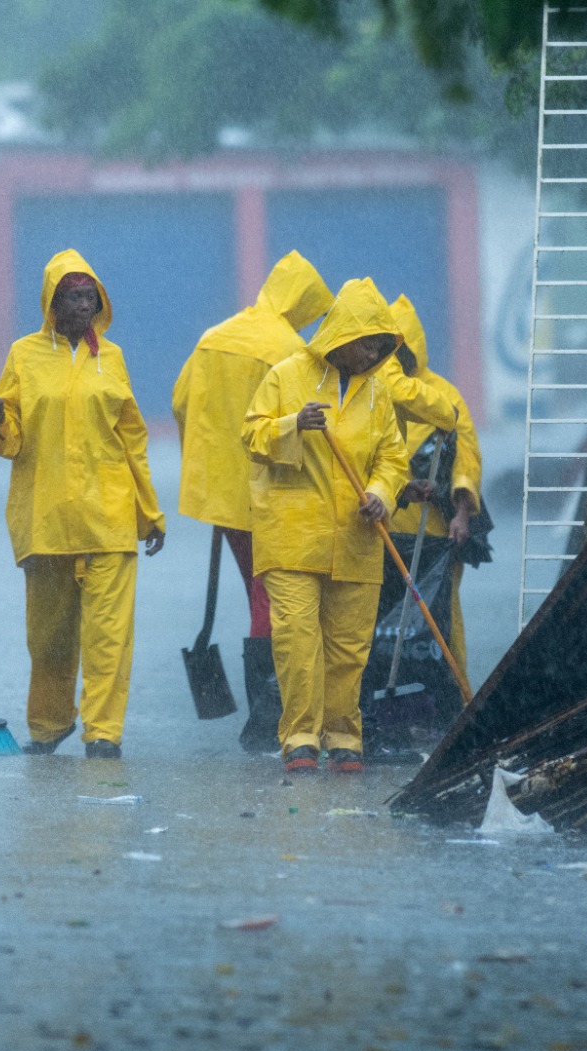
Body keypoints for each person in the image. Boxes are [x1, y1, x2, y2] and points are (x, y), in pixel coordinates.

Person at [0, 249, 166, 760]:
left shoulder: (114, 358)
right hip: (46, 521)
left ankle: (102, 733)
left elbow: (133, 441)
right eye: (73, 297)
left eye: (91, 297)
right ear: (52, 302)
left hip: (108, 518)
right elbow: (9, 442)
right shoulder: (23, 356)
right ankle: (49, 724)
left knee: (108, 638)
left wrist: (149, 513)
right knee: (49, 639)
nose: (84, 305)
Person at [241, 278, 409, 773]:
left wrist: (380, 495)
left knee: (349, 645)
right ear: (342, 337)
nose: (374, 353)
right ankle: (299, 737)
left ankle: (344, 736)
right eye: (368, 343)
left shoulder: (377, 393)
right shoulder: (286, 375)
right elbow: (251, 434)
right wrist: (293, 423)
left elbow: (393, 458)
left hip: (356, 537)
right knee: (296, 637)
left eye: (381, 345)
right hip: (292, 533)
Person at [171, 251, 333, 752]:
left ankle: (273, 716)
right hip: (274, 493)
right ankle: (271, 718)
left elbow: (181, 403)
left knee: (258, 594)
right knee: (279, 601)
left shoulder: (213, 337)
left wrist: (210, 465)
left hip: (223, 494)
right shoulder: (290, 348)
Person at [385, 294, 484, 687]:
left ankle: (451, 697)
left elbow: (467, 457)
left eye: (399, 348)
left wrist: (462, 513)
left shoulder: (443, 394)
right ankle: (389, 705)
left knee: (438, 617)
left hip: (436, 532)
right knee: (387, 623)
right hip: (387, 526)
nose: (394, 357)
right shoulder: (373, 392)